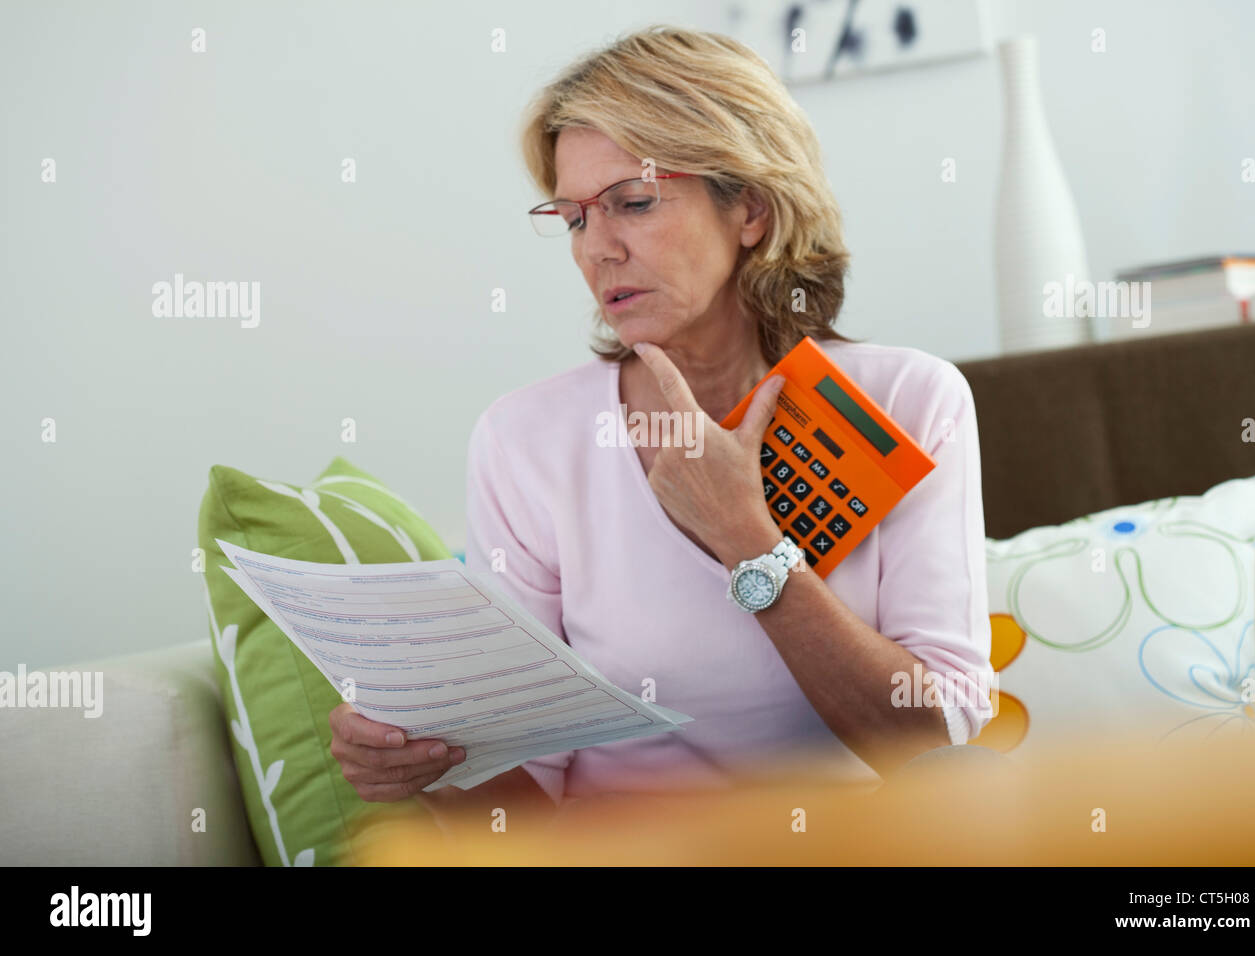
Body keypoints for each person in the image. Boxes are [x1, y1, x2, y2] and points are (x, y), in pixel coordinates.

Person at [329, 25, 995, 835]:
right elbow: (522, 798)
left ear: (750, 207)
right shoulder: (528, 440)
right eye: (574, 217)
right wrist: (430, 766)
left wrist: (745, 537)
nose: (597, 249)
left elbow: (938, 740)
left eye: (633, 203)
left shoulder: (909, 400)